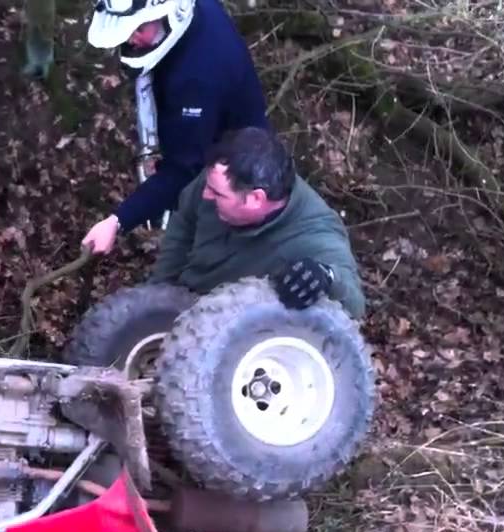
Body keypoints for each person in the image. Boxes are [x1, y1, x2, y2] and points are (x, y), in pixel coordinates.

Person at [81, 0, 269, 255]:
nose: (130, 39)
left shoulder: (197, 80)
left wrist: (117, 221)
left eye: (138, 29)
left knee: (209, 259)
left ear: (170, 17)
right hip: (227, 139)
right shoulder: (196, 11)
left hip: (236, 175)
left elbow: (183, 170)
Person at [148, 125, 366, 318]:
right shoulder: (217, 180)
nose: (205, 195)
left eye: (217, 193)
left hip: (235, 331)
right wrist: (159, 293)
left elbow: (355, 306)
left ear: (255, 198)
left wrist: (326, 278)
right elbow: (183, 223)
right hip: (186, 302)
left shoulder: (314, 235)